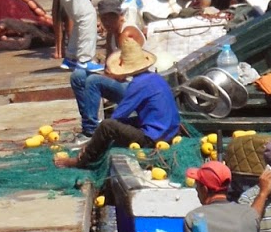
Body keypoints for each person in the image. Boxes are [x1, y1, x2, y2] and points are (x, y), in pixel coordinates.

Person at [59, 35, 181, 165]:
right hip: (170, 132)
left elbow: (118, 116)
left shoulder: (138, 84)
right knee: (123, 123)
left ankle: (82, 160)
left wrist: (94, 140)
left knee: (107, 126)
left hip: (153, 138)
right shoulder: (156, 78)